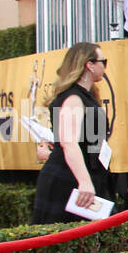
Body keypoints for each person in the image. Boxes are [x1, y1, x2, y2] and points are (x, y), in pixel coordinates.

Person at [31, 43, 113, 224]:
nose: (105, 66)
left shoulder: (85, 96)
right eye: (103, 61)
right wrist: (84, 182)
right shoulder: (73, 98)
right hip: (70, 180)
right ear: (89, 65)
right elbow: (69, 143)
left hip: (85, 175)